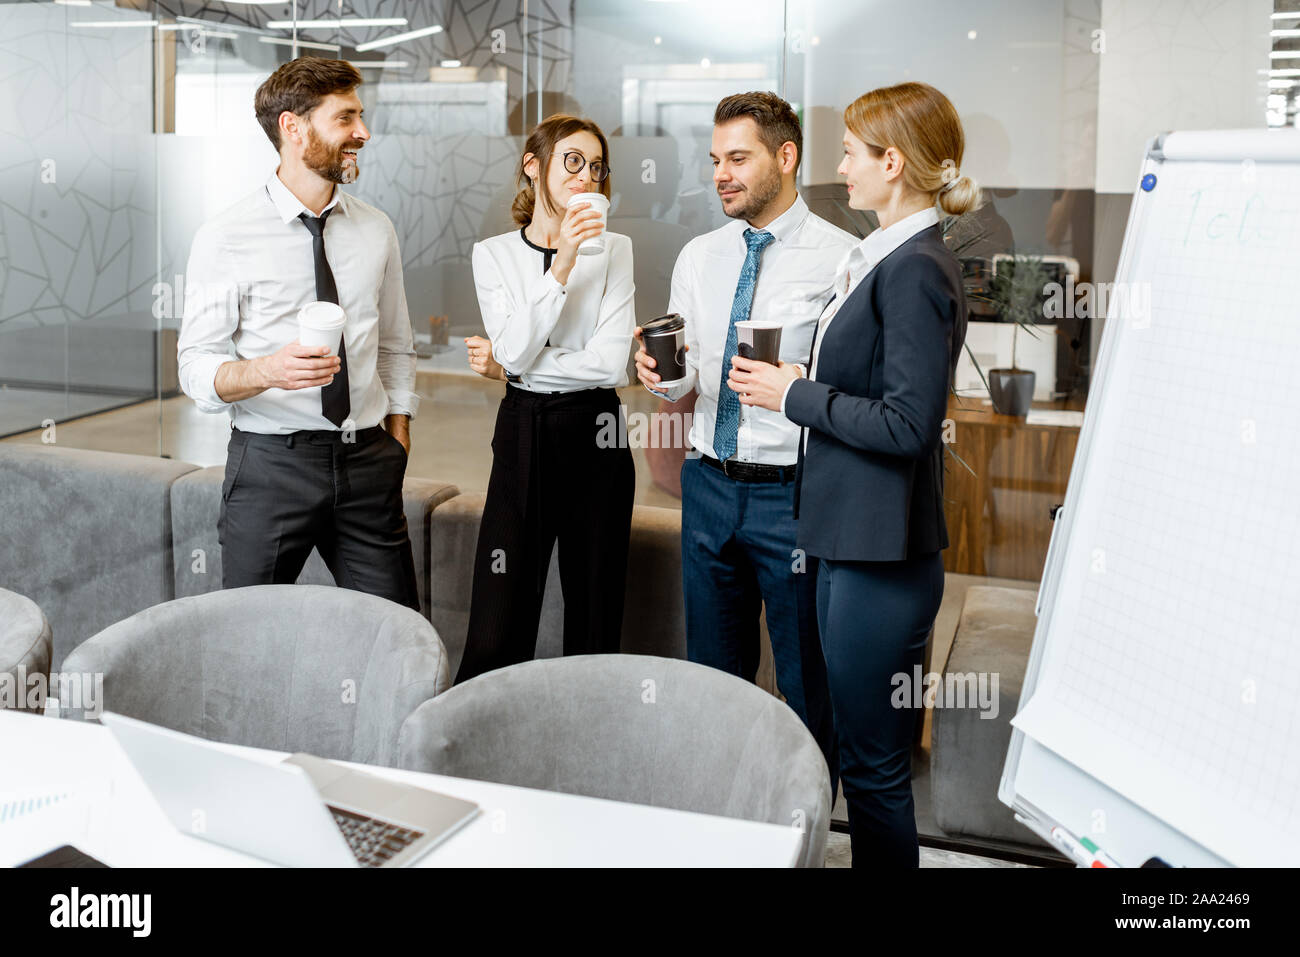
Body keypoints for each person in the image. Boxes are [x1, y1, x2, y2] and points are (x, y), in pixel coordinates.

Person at [727, 82, 976, 867]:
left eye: (850, 152)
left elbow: (907, 425)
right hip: (849, 543)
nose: (840, 166)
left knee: (873, 773)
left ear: (892, 162)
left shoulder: (915, 269)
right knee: (862, 763)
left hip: (881, 557)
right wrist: (806, 378)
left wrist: (794, 392)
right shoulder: (888, 257)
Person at [633, 92, 854, 786]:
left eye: (738, 158)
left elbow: (847, 389)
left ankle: (806, 821)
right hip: (707, 484)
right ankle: (722, 819)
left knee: (804, 681)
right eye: (714, 161)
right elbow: (687, 375)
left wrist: (796, 380)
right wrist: (658, 376)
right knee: (713, 677)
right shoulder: (700, 256)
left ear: (785, 158)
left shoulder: (842, 259)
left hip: (792, 495)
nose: (721, 174)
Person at [177, 57, 420, 609]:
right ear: (293, 127)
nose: (363, 133)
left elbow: (394, 345)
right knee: (249, 635)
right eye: (346, 118)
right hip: (270, 467)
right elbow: (194, 367)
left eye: (361, 116)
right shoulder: (225, 236)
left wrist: (398, 433)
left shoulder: (376, 229)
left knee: (398, 635)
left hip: (367, 462)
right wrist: (267, 371)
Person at [456, 114, 636, 683]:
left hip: (598, 433)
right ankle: (478, 744)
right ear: (533, 167)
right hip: (523, 430)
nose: (587, 177)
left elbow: (608, 364)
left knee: (594, 613)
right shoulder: (494, 254)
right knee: (498, 616)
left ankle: (584, 749)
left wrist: (520, 366)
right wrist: (562, 264)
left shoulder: (617, 250)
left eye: (597, 168)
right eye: (573, 161)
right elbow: (511, 348)